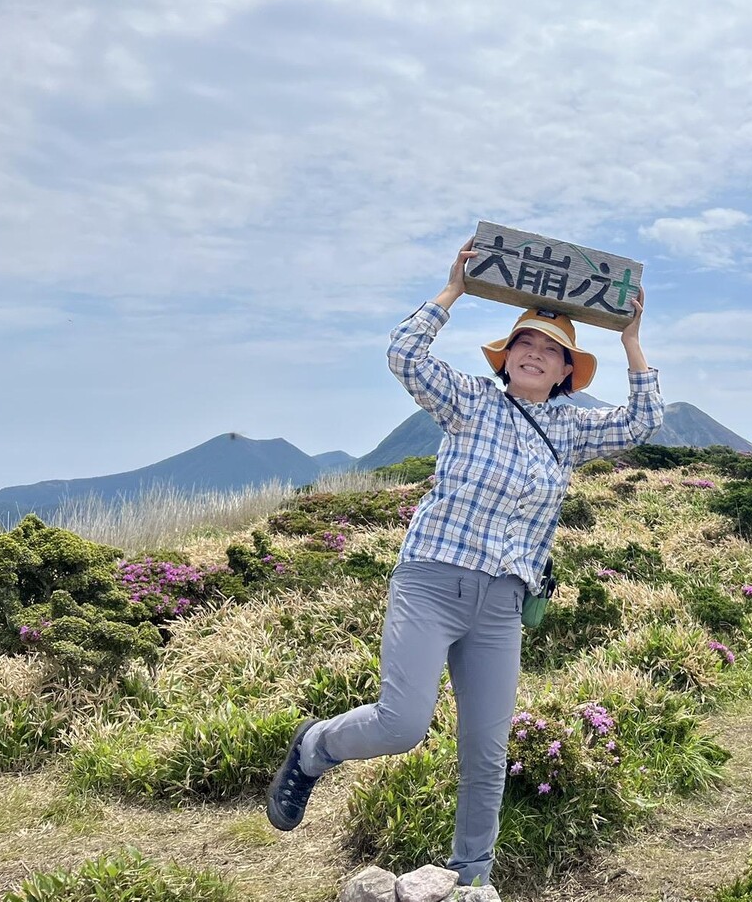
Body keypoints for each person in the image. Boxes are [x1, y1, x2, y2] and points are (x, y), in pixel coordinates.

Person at [266, 239, 662, 886]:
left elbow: (645, 419)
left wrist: (631, 338)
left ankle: (471, 878)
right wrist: (452, 290)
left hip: (503, 603)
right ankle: (315, 748)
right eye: (524, 343)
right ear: (507, 358)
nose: (536, 352)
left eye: (552, 349)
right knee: (402, 722)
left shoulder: (568, 431)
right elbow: (403, 355)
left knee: (487, 750)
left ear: (566, 371)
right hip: (432, 581)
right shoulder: (470, 400)